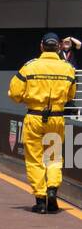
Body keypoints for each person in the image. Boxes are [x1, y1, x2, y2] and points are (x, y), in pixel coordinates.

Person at [8, 31, 77, 212]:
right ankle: (52, 190)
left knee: (35, 159)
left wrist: (28, 99)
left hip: (34, 117)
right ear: (59, 47)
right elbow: (71, 95)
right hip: (56, 118)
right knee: (53, 157)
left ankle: (40, 200)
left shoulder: (30, 67)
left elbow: (14, 94)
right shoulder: (67, 68)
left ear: (41, 46)